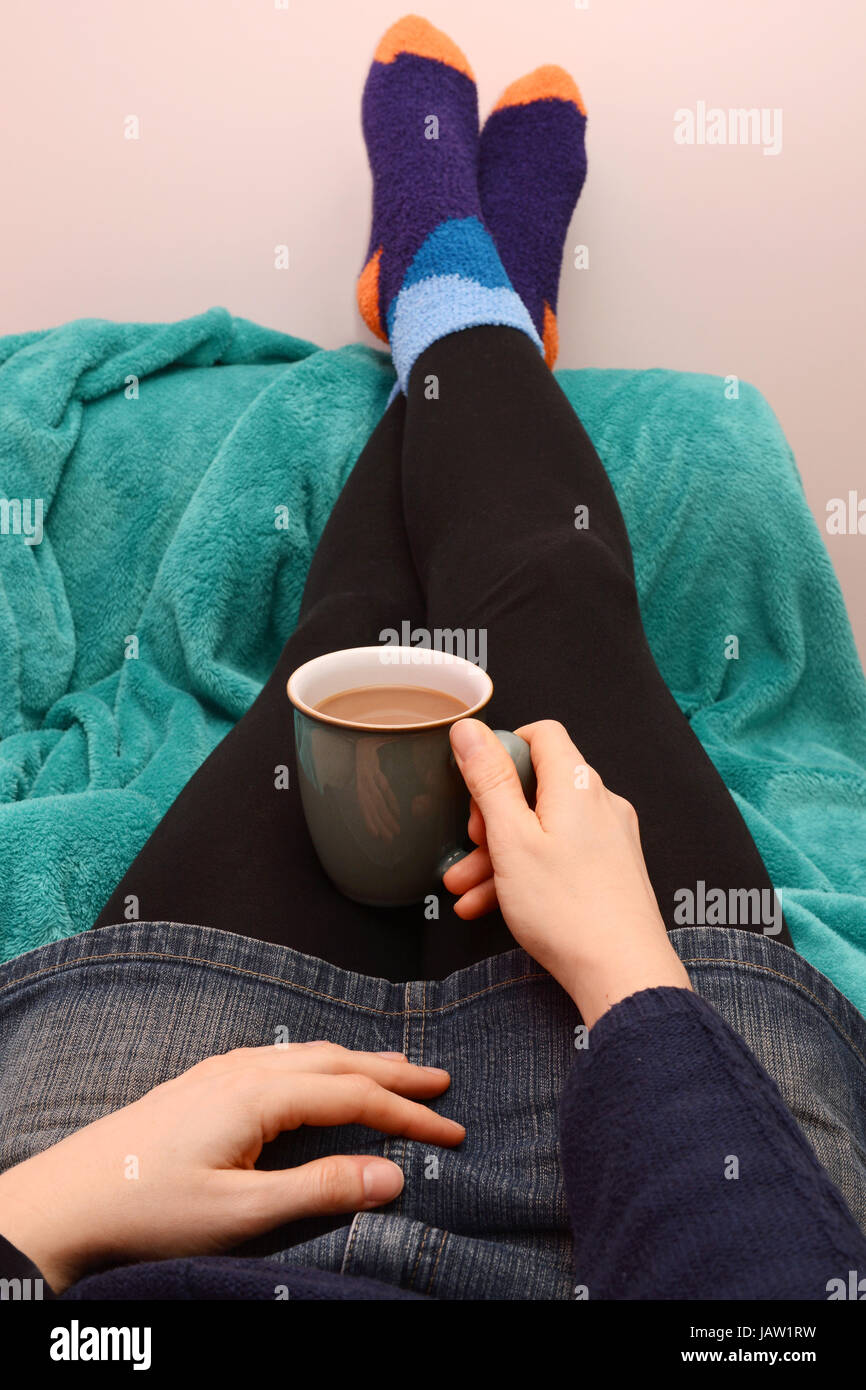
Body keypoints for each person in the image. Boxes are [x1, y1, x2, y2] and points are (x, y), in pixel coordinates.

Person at [0, 16, 864, 1302]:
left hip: (134, 1148)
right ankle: (464, 299)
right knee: (557, 588)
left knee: (345, 642)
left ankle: (447, 294)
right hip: (669, 1143)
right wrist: (627, 969)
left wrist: (41, 1210)